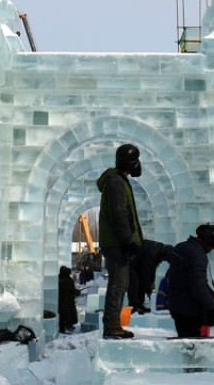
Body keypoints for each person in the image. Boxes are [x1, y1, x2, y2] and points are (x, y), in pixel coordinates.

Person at [96, 143, 144, 339]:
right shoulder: (116, 182)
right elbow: (120, 213)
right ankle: (111, 326)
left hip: (115, 241)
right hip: (116, 242)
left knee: (120, 283)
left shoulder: (118, 181)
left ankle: (112, 324)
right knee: (118, 284)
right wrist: (128, 241)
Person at [167, 223, 214, 338]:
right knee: (194, 343)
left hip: (177, 307)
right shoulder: (198, 255)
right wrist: (212, 304)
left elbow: (169, 275)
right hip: (191, 311)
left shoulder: (180, 247)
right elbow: (198, 286)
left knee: (184, 340)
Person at [127, 239, 173, 313]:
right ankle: (134, 306)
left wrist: (150, 283)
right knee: (134, 284)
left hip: (135, 262)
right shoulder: (153, 253)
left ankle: (139, 305)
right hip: (130, 262)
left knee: (139, 282)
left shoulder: (158, 250)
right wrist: (148, 287)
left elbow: (152, 270)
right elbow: (145, 272)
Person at [57, 266, 81, 334]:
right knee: (69, 314)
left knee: (63, 314)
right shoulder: (69, 281)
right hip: (68, 300)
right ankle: (68, 325)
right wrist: (77, 292)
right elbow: (72, 290)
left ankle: (63, 326)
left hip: (61, 300)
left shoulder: (59, 279)